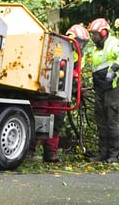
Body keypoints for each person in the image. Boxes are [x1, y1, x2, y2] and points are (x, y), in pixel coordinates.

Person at [34, 24, 89, 163]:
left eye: (83, 43)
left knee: (56, 123)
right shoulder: (55, 46)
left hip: (61, 93)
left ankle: (50, 154)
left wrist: (76, 89)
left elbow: (75, 75)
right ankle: (29, 150)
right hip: (43, 90)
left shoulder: (77, 56)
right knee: (36, 118)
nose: (81, 45)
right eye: (80, 41)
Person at [86, 17, 119, 163]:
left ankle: (113, 154)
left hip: (113, 87)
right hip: (100, 87)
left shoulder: (113, 44)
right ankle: (102, 153)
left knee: (111, 121)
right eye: (92, 34)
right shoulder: (95, 49)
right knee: (100, 120)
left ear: (104, 33)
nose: (93, 37)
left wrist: (113, 70)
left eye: (95, 34)